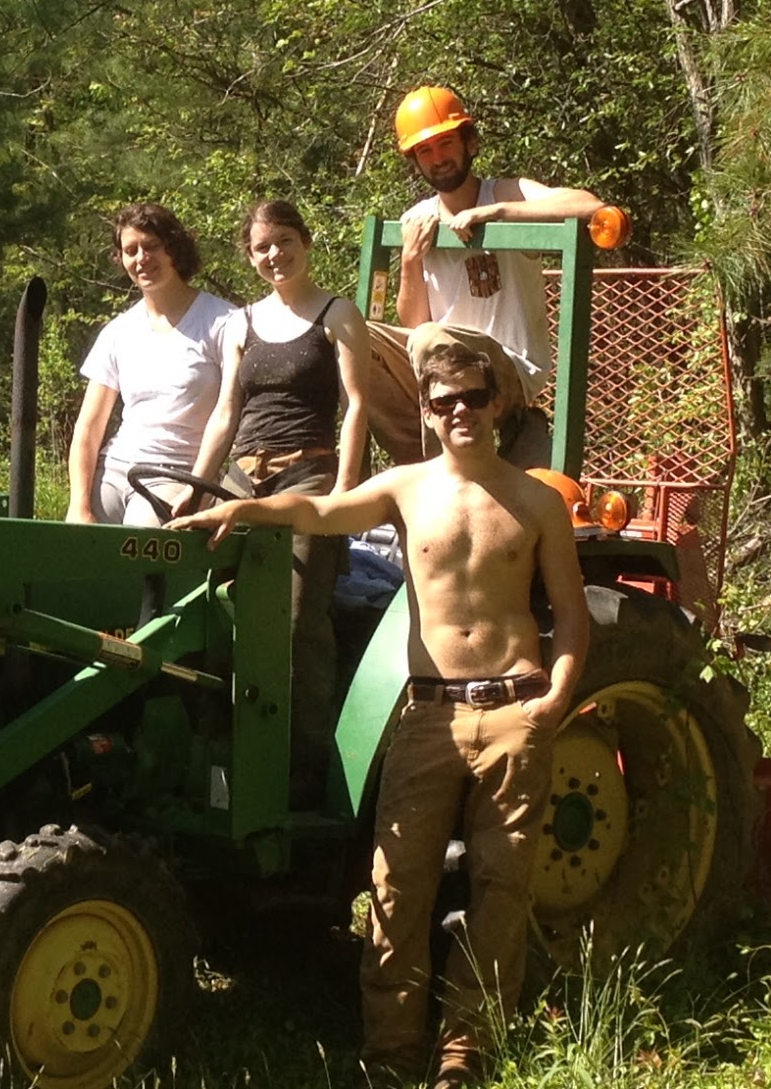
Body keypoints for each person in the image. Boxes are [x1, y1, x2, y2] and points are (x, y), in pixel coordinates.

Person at [170, 346, 588, 1089]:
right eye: (441, 402)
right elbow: (322, 511)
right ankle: (391, 1056)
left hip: (514, 711)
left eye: (470, 395)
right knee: (397, 887)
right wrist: (245, 507)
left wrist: (556, 694)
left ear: (497, 403)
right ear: (427, 415)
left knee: (502, 888)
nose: (457, 410)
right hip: (427, 716)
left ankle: (467, 1054)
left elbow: (572, 614)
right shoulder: (405, 488)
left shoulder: (536, 501)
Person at [180, 199, 370, 797]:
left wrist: (343, 488)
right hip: (242, 474)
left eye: (284, 241)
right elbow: (225, 414)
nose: (274, 255)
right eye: (262, 247)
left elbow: (357, 404)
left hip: (307, 475)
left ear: (305, 243)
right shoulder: (240, 324)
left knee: (295, 620)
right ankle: (219, 763)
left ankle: (304, 772)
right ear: (250, 256)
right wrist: (193, 490)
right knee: (204, 609)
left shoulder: (337, 315)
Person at [367, 85, 604, 469]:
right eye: (425, 150)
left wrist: (499, 212)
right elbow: (413, 324)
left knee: (430, 339)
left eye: (445, 143)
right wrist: (411, 259)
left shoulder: (507, 193)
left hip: (506, 370)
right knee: (354, 336)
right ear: (415, 161)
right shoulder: (419, 218)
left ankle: (442, 475)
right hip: (440, 375)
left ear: (470, 143)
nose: (438, 158)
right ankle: (418, 458)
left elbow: (591, 206)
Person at [65, 203, 234, 526]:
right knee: (70, 555)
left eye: (151, 246)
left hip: (178, 475)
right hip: (114, 470)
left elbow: (230, 414)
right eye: (131, 250)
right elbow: (88, 428)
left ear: (173, 248)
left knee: (137, 546)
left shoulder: (223, 322)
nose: (141, 258)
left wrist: (200, 486)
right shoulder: (118, 332)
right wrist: (79, 504)